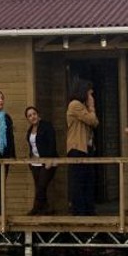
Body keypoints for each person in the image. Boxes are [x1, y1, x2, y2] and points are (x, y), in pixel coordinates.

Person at [65, 79, 98, 215]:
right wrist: (92, 106)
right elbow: (92, 120)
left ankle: (89, 211)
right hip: (77, 148)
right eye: (90, 94)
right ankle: (79, 213)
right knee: (78, 182)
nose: (91, 97)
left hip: (86, 148)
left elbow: (95, 122)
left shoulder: (82, 106)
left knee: (88, 181)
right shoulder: (75, 105)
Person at [24, 106, 58, 215]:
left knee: (41, 186)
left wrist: (49, 160)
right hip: (35, 163)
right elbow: (32, 146)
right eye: (29, 115)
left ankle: (35, 209)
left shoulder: (47, 126)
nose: (32, 117)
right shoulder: (30, 130)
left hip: (47, 161)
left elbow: (52, 144)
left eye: (34, 114)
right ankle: (46, 209)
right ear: (28, 119)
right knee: (39, 187)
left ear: (38, 115)